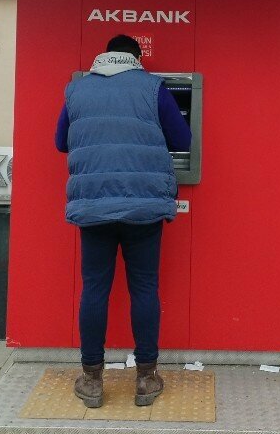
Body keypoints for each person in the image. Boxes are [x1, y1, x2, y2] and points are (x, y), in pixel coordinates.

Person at [55, 34, 192, 408]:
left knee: (94, 289)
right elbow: (182, 137)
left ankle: (91, 380)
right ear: (136, 57)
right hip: (143, 206)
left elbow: (60, 142)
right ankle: (146, 379)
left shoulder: (77, 90)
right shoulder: (153, 87)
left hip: (94, 205)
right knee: (144, 287)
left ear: (104, 57)